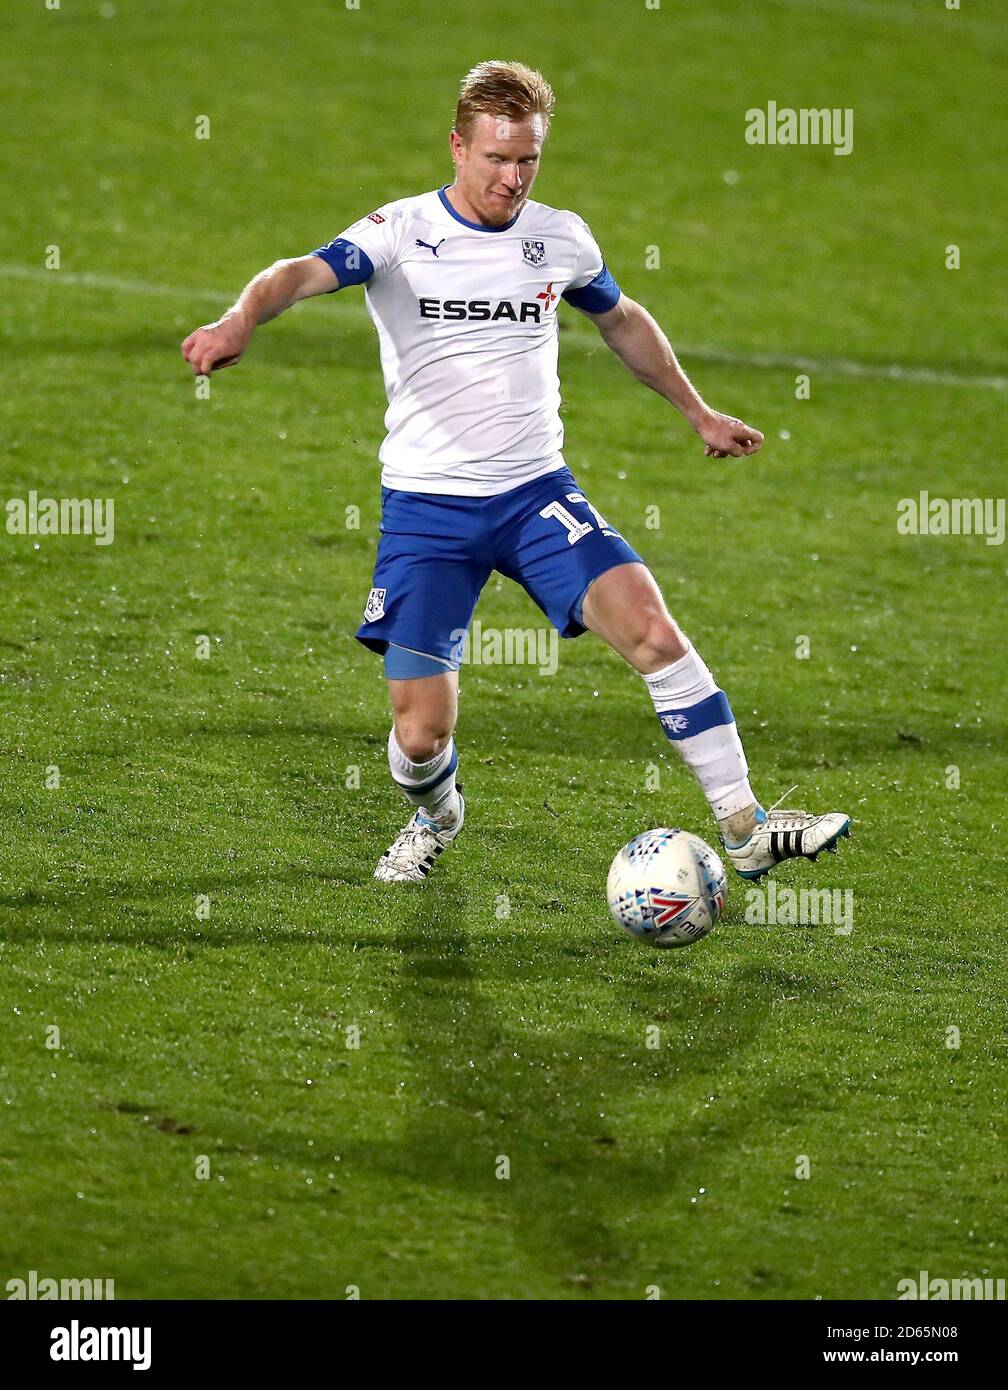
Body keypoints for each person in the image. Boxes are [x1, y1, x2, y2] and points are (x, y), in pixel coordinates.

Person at [182, 60, 849, 887]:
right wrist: (240, 319)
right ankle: (436, 813)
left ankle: (745, 828)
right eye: (497, 158)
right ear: (458, 147)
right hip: (428, 510)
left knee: (653, 632)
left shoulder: (559, 238)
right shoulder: (399, 231)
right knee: (420, 734)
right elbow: (294, 274)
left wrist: (699, 412)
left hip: (537, 495)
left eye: (528, 159)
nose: (513, 178)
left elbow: (621, 320)